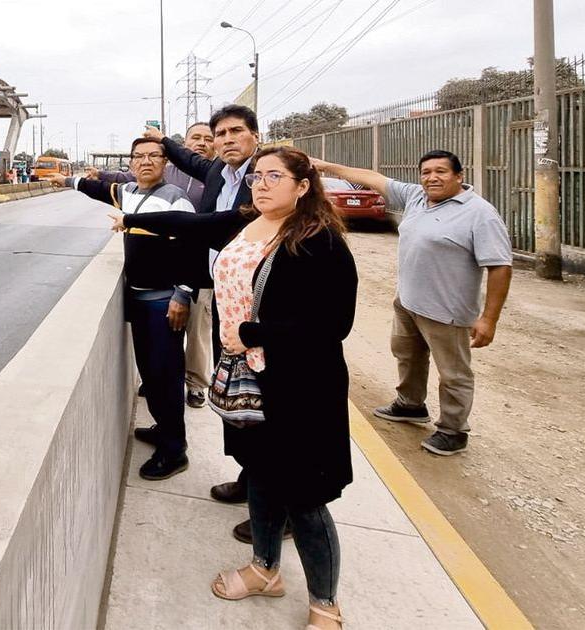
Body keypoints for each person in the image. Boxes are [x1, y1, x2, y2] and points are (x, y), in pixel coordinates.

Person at [111, 146, 356, 630]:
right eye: (257, 177)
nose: (261, 184)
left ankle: (325, 603)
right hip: (248, 378)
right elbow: (193, 227)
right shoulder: (247, 223)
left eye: (274, 177)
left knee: (304, 497)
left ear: (303, 187)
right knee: (261, 475)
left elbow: (334, 324)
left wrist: (251, 335)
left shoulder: (318, 241)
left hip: (300, 386)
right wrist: (135, 221)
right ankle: (265, 570)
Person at [311, 150, 512, 456]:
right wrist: (326, 167)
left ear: (459, 176)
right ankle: (411, 404)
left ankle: (453, 429)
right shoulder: (417, 197)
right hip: (408, 302)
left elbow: (500, 266)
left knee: (454, 372)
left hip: (448, 310)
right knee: (407, 354)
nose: (432, 177)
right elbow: (373, 178)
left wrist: (489, 319)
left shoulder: (479, 213)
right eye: (426, 172)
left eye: (441, 172)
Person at [145, 104, 276, 541]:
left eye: (236, 131)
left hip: (260, 303)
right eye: (219, 133)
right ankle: (251, 477)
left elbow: (211, 226)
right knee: (237, 396)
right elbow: (190, 159)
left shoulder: (266, 177)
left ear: (256, 135)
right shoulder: (220, 172)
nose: (225, 139)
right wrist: (160, 140)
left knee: (268, 401)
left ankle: (281, 507)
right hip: (225, 297)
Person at [46, 138, 197, 480]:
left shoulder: (177, 199)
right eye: (139, 156)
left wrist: (183, 294)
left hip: (164, 302)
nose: (146, 162)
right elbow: (96, 187)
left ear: (165, 162)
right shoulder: (128, 191)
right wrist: (65, 181)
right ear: (131, 162)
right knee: (151, 374)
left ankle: (175, 450)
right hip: (139, 300)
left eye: (154, 156)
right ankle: (163, 428)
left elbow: (192, 248)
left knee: (166, 375)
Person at [89, 122, 217, 408]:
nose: (201, 143)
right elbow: (125, 178)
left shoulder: (216, 174)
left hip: (196, 272)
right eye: (195, 138)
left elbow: (191, 240)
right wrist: (87, 178)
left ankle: (194, 385)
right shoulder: (168, 170)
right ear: (181, 145)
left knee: (195, 335)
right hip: (157, 284)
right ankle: (162, 402)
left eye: (209, 138)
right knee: (158, 358)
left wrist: (183, 291)